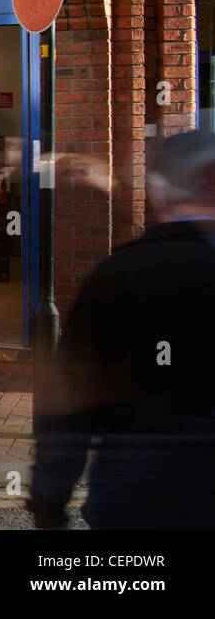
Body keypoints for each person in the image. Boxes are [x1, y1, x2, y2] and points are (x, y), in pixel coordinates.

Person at [28, 129, 215, 530]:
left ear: (159, 193)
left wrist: (49, 498)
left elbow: (70, 399)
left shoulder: (119, 274)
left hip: (138, 488)